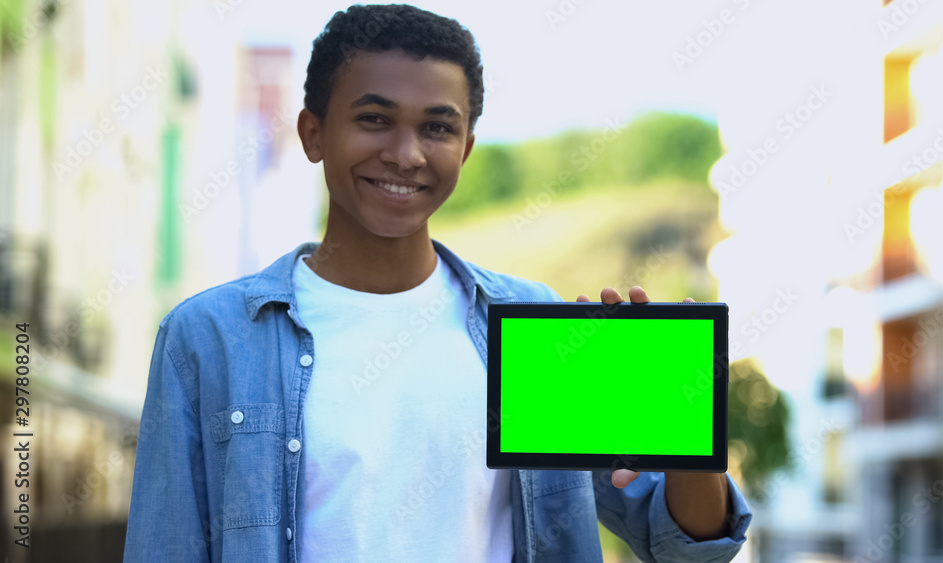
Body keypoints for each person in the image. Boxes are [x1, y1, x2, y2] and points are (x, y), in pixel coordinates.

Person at [123, 4, 752, 562]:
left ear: (467, 148)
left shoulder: (534, 323)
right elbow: (164, 547)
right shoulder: (209, 338)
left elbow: (685, 546)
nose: (407, 154)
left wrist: (682, 424)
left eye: (437, 127)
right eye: (375, 118)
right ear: (313, 133)